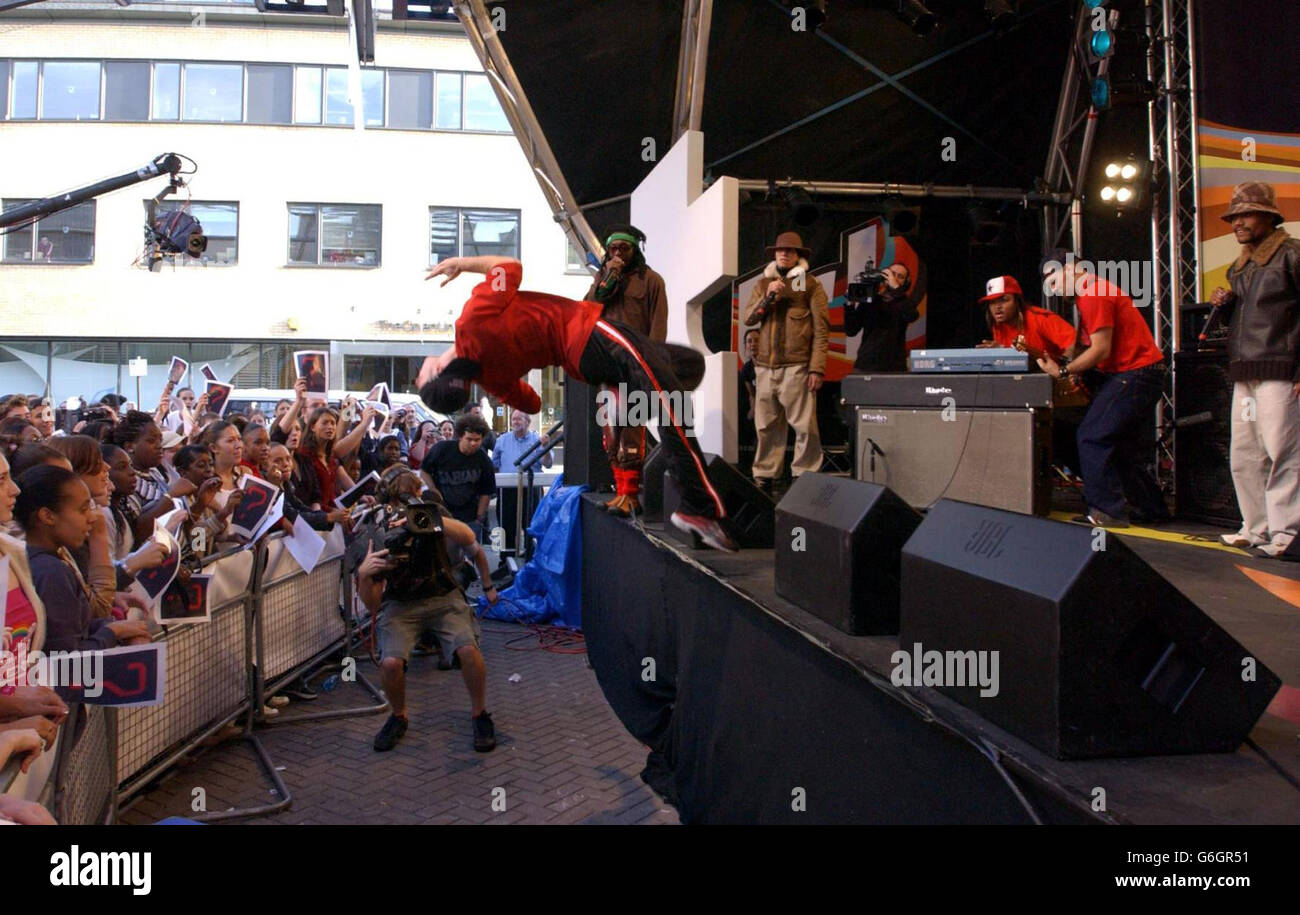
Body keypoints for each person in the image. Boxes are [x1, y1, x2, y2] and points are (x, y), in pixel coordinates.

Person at [417, 255, 737, 551]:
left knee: (688, 364)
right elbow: (508, 265)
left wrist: (507, 370)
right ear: (436, 369)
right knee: (672, 404)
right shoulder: (472, 322)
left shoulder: (491, 380)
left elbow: (532, 403)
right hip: (586, 332)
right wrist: (462, 263)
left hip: (583, 365)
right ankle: (698, 507)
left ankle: (625, 398)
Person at [355, 465, 499, 752]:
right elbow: (372, 605)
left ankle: (480, 713)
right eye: (399, 500)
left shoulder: (433, 513)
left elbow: (470, 541)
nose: (403, 507)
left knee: (468, 650)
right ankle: (398, 716)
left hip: (443, 597)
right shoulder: (377, 529)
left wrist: (428, 517)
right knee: (390, 663)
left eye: (409, 497)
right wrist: (364, 574)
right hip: (401, 604)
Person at [1038, 250, 1169, 527]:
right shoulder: (1094, 292)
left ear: (1073, 268)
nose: (1053, 286)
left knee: (1091, 436)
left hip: (1136, 374)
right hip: (1141, 374)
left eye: (1054, 276)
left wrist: (1062, 371)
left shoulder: (1093, 294)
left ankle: (1107, 511)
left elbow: (1100, 350)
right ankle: (1151, 507)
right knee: (1117, 445)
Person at [1208, 182, 1300, 555]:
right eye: (1234, 217)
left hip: (1281, 368)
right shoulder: (1240, 267)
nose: (1237, 223)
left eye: (1245, 214)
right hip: (1246, 372)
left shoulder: (1291, 254)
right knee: (1245, 453)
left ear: (1269, 216)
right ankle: (1255, 526)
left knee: (1282, 451)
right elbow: (1253, 318)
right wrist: (1227, 304)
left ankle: (1288, 532)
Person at [15, 465, 150, 653]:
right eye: (83, 509)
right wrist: (111, 633)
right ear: (47, 516)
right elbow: (66, 659)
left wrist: (108, 627)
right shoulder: (51, 571)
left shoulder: (47, 558)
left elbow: (76, 628)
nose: (92, 518)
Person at [585, 224, 668, 517]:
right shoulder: (604, 278)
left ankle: (631, 495)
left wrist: (653, 365)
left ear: (636, 250)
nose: (618, 253)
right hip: (608, 365)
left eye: (625, 248)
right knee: (611, 431)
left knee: (632, 431)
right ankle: (619, 492)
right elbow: (587, 310)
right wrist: (608, 277)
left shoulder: (652, 281)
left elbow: (658, 326)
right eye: (614, 249)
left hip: (635, 365)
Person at [742, 231, 830, 496]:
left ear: (798, 255)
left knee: (804, 426)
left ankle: (805, 477)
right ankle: (765, 476)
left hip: (797, 367)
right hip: (766, 368)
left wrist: (817, 368)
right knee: (766, 427)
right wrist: (768, 296)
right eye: (780, 251)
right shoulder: (763, 284)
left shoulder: (809, 284)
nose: (784, 254)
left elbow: (822, 330)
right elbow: (748, 319)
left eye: (790, 251)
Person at [420, 413, 497, 536]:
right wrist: (433, 490)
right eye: (469, 439)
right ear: (461, 436)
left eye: (477, 440)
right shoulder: (442, 450)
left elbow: (486, 492)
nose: (473, 443)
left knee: (470, 551)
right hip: (443, 512)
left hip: (470, 516)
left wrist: (479, 517)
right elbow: (424, 471)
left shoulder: (484, 460)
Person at [491, 409, 553, 560]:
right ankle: (505, 559)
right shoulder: (502, 440)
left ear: (528, 422)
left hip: (531, 489)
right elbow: (495, 463)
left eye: (519, 419)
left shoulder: (537, 440)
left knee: (531, 524)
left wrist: (545, 448)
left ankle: (531, 558)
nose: (515, 422)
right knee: (505, 526)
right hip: (507, 490)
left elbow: (548, 464)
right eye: (514, 419)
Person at [976, 275, 1077, 360]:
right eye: (992, 302)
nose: (997, 307)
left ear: (1017, 301)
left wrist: (1064, 369)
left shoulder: (1041, 318)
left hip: (1055, 378)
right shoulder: (998, 326)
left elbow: (1076, 346)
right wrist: (1000, 353)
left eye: (1004, 300)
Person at [844, 262, 918, 372]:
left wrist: (896, 288)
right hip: (866, 365)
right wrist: (849, 305)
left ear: (905, 283)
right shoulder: (871, 299)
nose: (894, 278)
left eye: (900, 276)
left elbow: (912, 315)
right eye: (892, 274)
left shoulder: (904, 301)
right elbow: (851, 330)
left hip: (894, 367)